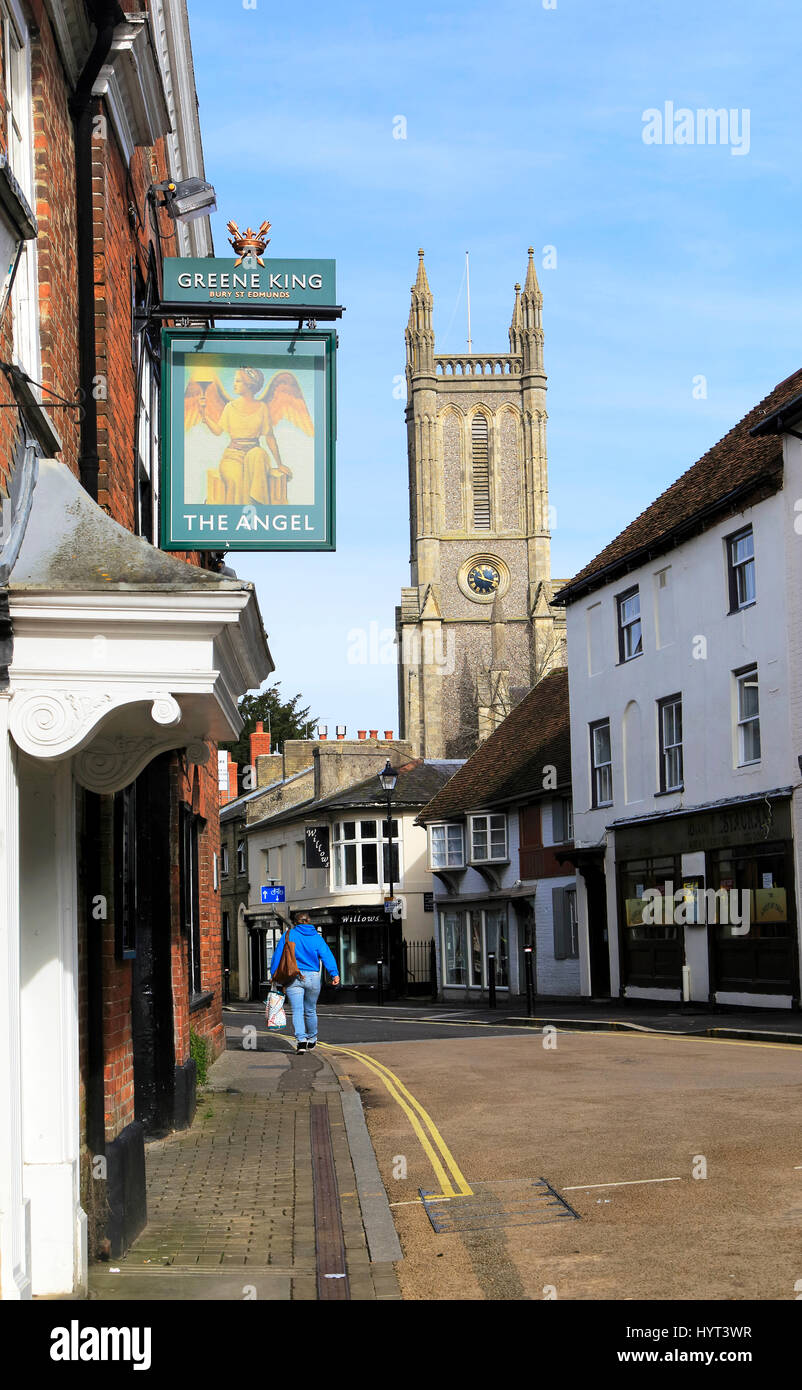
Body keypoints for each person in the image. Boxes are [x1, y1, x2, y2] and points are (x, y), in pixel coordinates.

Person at [269, 911, 340, 1053]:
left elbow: (278, 955)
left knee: (297, 1011)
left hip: (293, 976)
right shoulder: (316, 937)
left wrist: (273, 973)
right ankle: (312, 1039)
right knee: (310, 1010)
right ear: (309, 921)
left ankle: (301, 1041)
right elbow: (327, 955)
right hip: (313, 978)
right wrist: (334, 974)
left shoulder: (289, 935)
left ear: (295, 922)